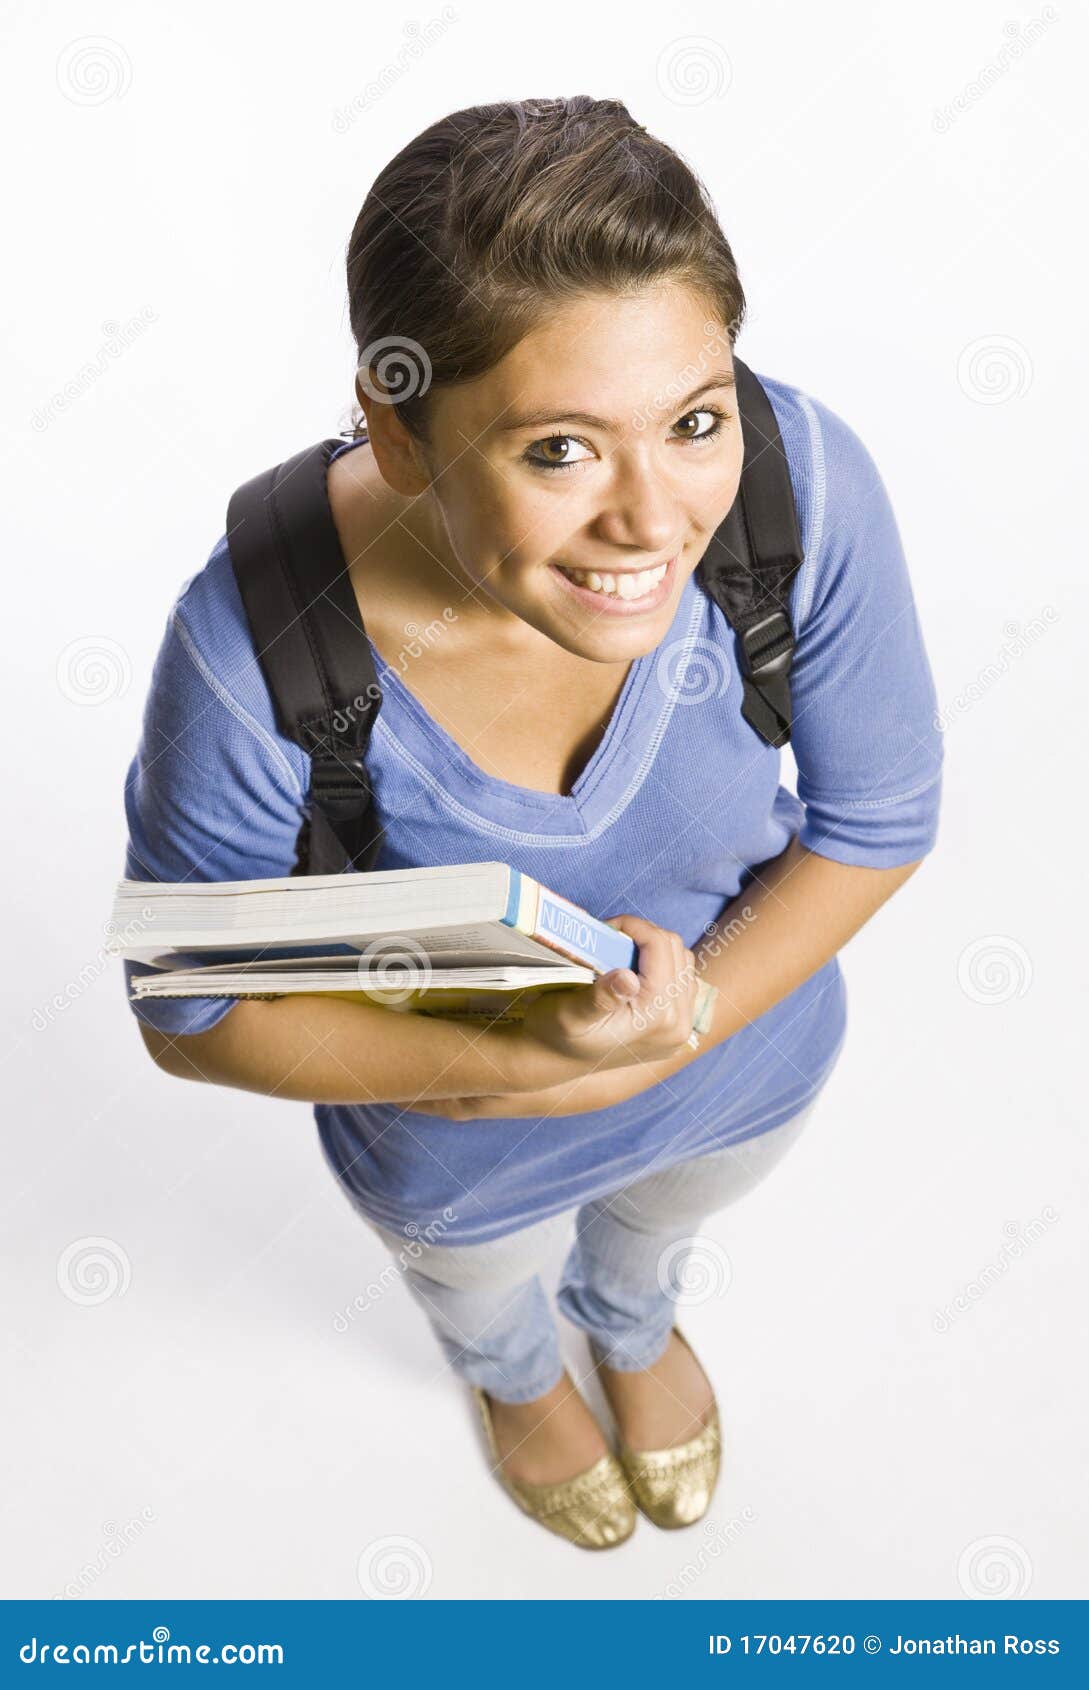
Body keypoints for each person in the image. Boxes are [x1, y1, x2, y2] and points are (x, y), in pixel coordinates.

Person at [121, 96, 943, 1551]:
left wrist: (671, 1031)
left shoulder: (795, 484)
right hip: (457, 1157)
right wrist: (516, 1080)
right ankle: (509, 1374)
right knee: (481, 1287)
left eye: (691, 420)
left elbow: (874, 821)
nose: (653, 519)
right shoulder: (254, 654)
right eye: (558, 449)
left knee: (656, 1228)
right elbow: (190, 1011)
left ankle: (628, 1320)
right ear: (401, 429)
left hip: (745, 1069)